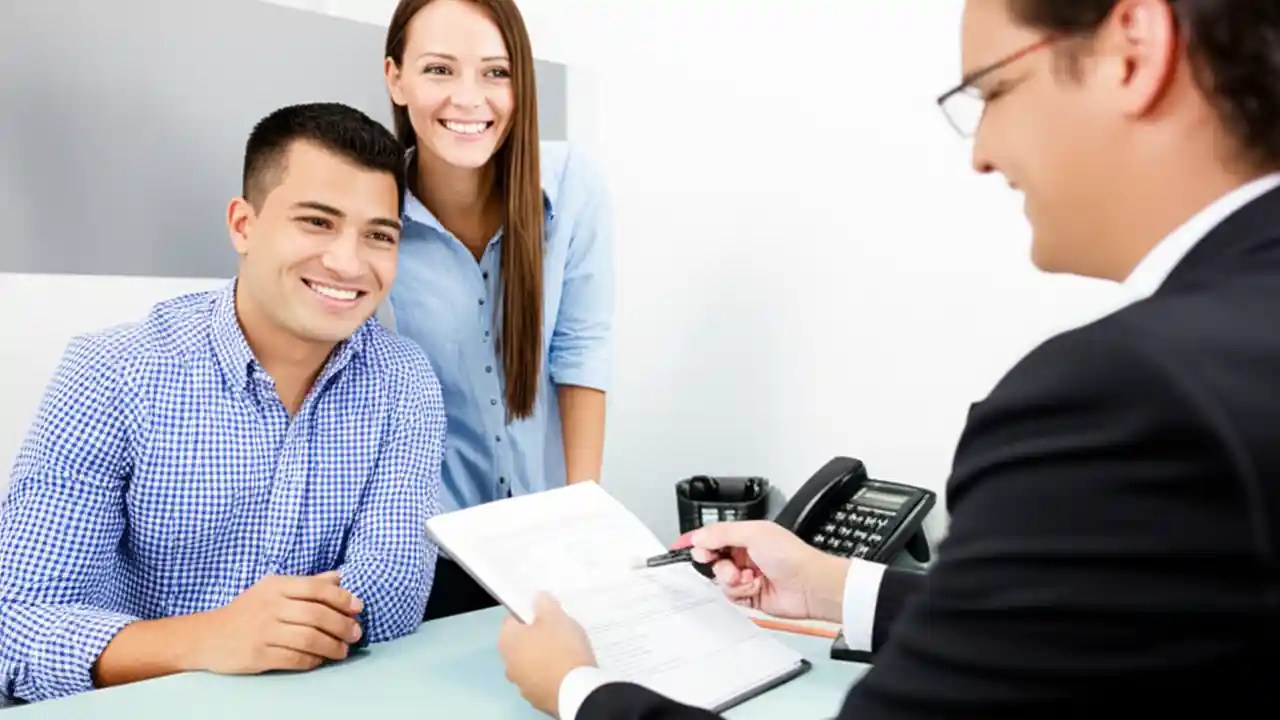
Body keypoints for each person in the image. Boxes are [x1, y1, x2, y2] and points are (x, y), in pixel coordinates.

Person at [497, 0, 1280, 716]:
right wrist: (837, 585)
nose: (981, 153)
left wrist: (579, 687)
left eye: (993, 92)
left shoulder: (1124, 396)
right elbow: (1129, 618)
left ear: (1132, 53)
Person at [0, 102, 447, 706]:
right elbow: (17, 627)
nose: (348, 262)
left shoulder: (404, 380)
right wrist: (208, 639)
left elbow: (393, 593)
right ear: (243, 225)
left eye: (378, 235)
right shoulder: (111, 374)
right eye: (317, 222)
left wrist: (277, 633)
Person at [382, 0, 614, 621]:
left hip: (552, 542)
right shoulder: (375, 215)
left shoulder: (570, 186)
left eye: (495, 72)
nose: (469, 99)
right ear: (395, 79)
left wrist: (581, 517)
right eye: (438, 70)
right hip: (429, 555)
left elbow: (581, 350)